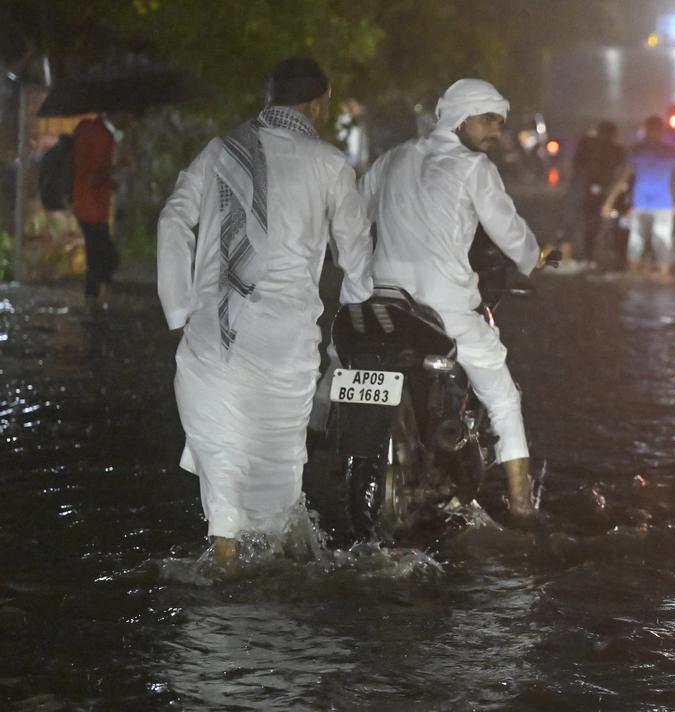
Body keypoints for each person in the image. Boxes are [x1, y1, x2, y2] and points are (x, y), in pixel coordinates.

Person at [156, 58, 374, 573]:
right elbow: (355, 252)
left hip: (215, 332)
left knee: (222, 451)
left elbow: (172, 219)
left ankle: (226, 554)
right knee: (280, 464)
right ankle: (279, 573)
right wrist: (358, 307)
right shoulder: (329, 164)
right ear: (317, 105)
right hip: (287, 343)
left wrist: (179, 309)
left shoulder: (222, 151)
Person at [357, 78, 555, 517]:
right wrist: (534, 259)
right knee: (503, 398)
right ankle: (522, 507)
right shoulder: (473, 167)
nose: (496, 132)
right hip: (444, 311)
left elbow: (352, 216)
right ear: (460, 118)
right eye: (488, 120)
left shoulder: (391, 159)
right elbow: (508, 230)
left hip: (382, 306)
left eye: (499, 123)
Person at [601, 115, 675, 280]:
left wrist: (609, 201)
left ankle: (633, 274)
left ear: (646, 129)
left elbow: (623, 178)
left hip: (640, 203)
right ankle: (663, 274)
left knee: (636, 240)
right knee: (662, 240)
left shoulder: (637, 151)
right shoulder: (671, 153)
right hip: (663, 204)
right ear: (661, 130)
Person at [72, 110, 133, 313]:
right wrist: (118, 167)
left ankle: (96, 300)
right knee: (104, 258)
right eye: (128, 115)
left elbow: (90, 172)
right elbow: (93, 177)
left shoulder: (90, 131)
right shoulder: (101, 136)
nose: (129, 120)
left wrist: (110, 182)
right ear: (118, 113)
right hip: (93, 209)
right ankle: (94, 301)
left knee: (100, 257)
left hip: (87, 206)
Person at [565, 120, 625, 267]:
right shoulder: (616, 149)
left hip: (588, 189)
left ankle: (587, 256)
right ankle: (613, 256)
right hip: (606, 191)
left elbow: (575, 164)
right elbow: (621, 171)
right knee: (607, 224)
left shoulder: (587, 145)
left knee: (587, 223)